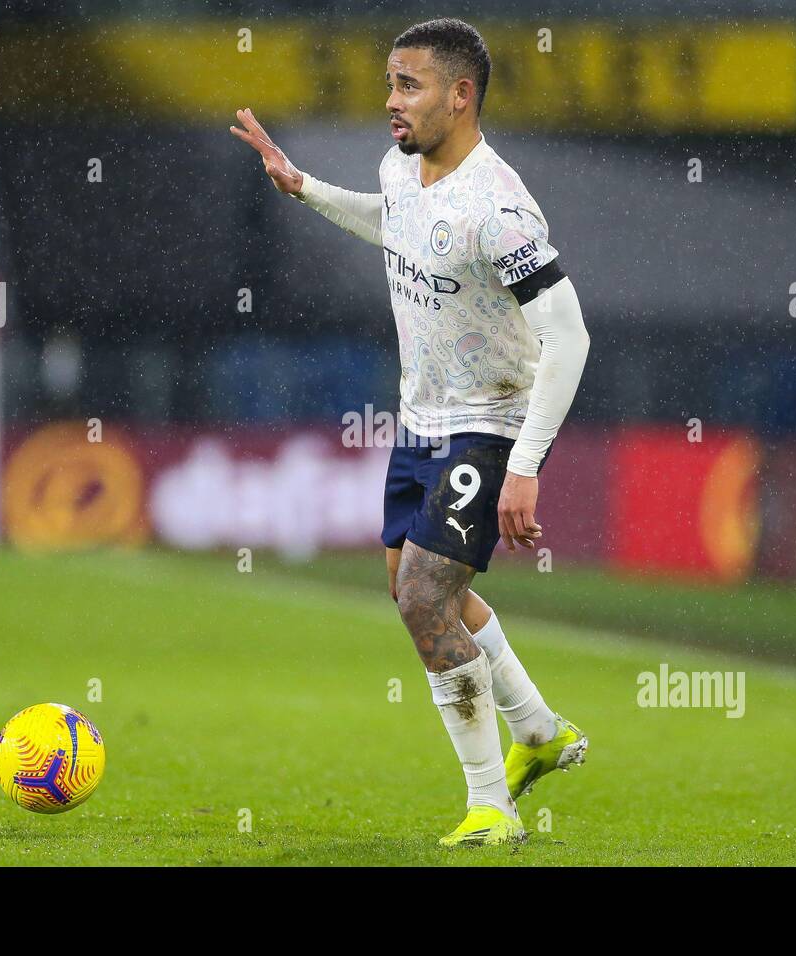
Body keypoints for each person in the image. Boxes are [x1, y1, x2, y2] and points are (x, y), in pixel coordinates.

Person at [230, 17, 590, 847]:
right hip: (421, 417)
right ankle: (540, 732)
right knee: (421, 590)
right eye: (390, 83)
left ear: (461, 96)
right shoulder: (403, 168)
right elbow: (395, 223)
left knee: (426, 599)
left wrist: (526, 466)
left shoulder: (498, 209)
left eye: (410, 85)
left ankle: (491, 806)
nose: (391, 101)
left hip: (491, 422)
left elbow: (569, 337)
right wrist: (303, 185)